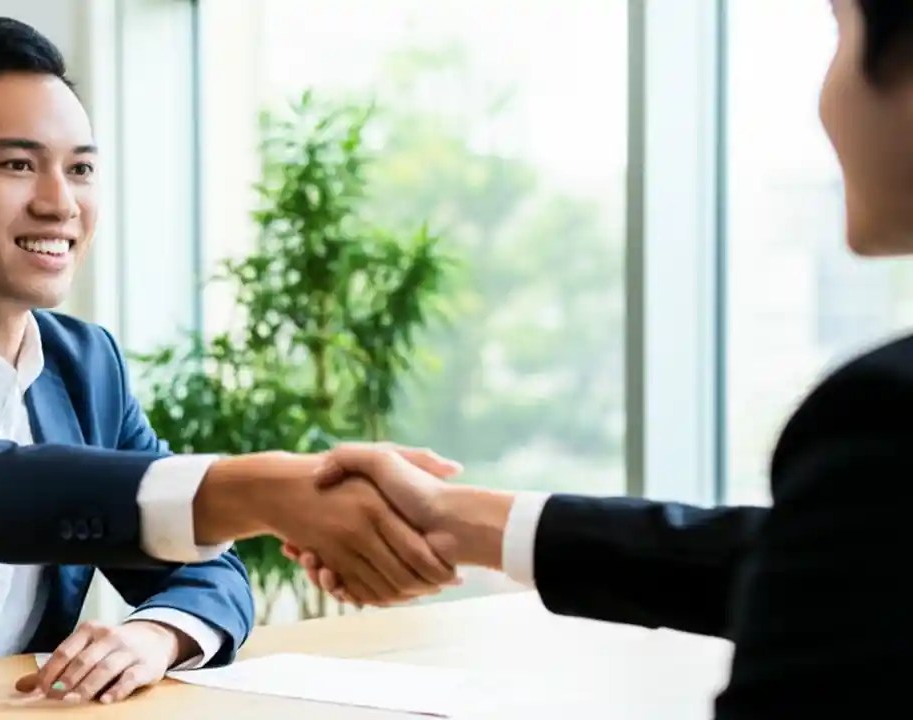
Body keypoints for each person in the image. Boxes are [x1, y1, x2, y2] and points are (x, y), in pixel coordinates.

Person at [0, 17, 462, 704]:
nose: (59, 203)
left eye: (80, 170)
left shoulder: (85, 366)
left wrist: (155, 635)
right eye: (17, 165)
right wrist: (266, 487)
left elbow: (208, 569)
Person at [286, 0, 913, 715]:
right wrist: (467, 520)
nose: (825, 99)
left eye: (838, 29)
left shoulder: (884, 416)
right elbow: (839, 566)